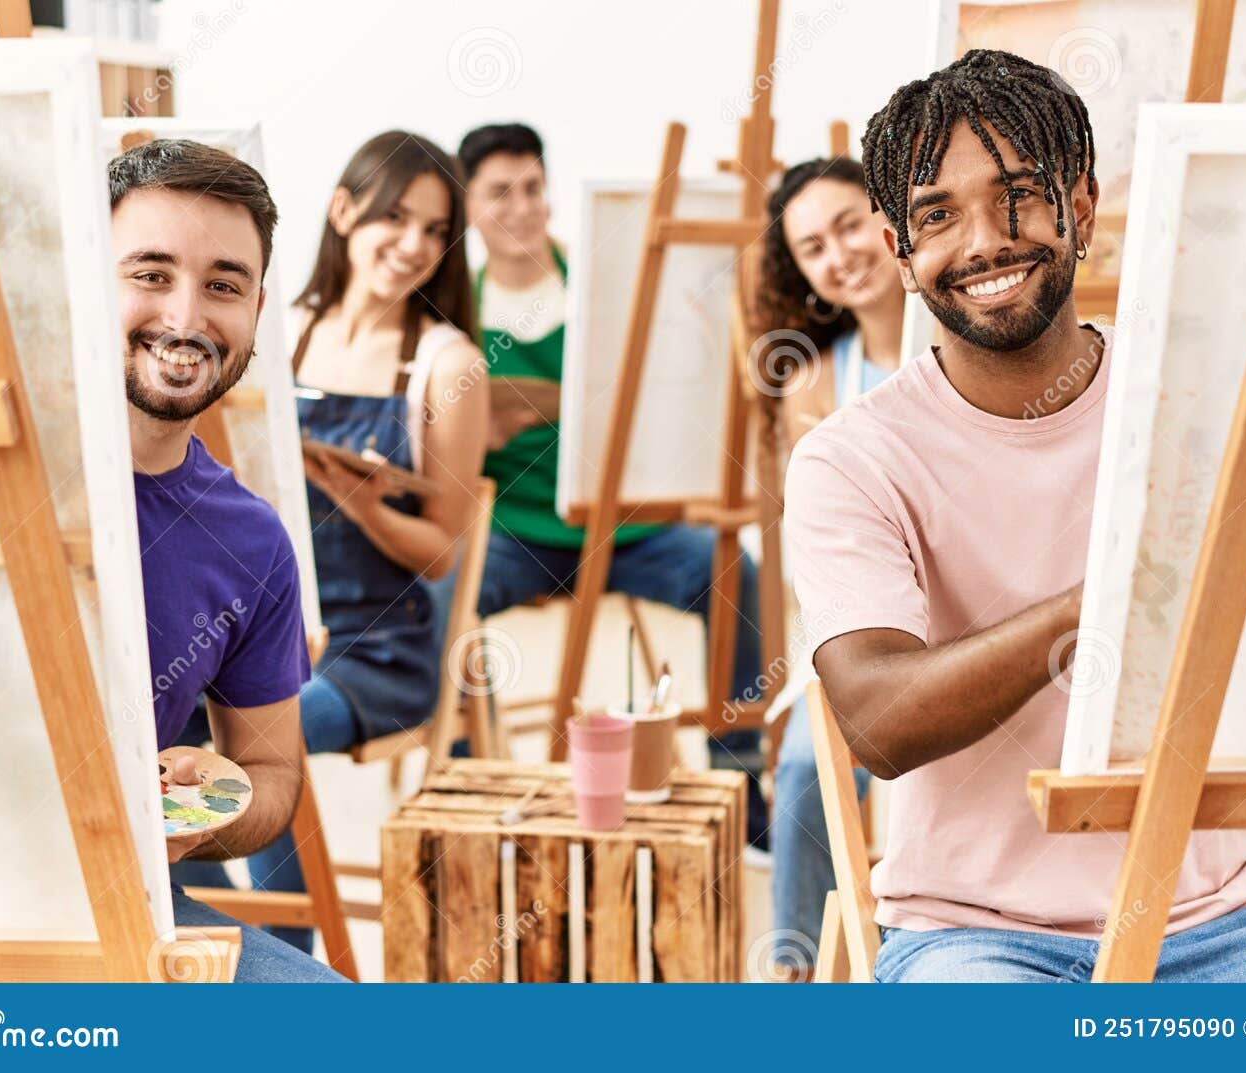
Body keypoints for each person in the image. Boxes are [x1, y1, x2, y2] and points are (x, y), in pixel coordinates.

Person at [784, 51, 1246, 983]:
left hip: (1229, 921)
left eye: (1018, 194)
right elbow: (878, 722)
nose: (983, 242)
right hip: (974, 935)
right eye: (937, 214)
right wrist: (1086, 607)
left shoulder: (1204, 402)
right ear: (900, 251)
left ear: (1082, 209)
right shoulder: (849, 459)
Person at [173, 131, 489, 955]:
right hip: (265, 622)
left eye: (434, 228)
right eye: (396, 217)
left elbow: (443, 549)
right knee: (167, 737)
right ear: (344, 210)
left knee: (253, 744)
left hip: (376, 650)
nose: (414, 244)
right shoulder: (283, 329)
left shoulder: (446, 362)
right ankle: (202, 935)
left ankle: (288, 952)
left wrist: (354, 496)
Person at [453, 122, 766, 842]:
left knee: (734, 572)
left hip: (625, 527)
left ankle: (744, 776)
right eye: (500, 192)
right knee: (448, 602)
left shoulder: (599, 287)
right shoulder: (459, 309)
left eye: (533, 187)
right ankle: (472, 775)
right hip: (517, 535)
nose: (522, 206)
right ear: (470, 206)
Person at [109, 138, 345, 982]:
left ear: (256, 309)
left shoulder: (251, 541)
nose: (184, 317)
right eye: (149, 272)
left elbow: (274, 772)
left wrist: (218, 805)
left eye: (222, 285)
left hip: (121, 904)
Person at [752, 155, 908, 979]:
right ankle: (796, 981)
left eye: (850, 224)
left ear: (891, 217)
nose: (840, 253)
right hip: (867, 631)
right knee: (809, 768)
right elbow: (824, 548)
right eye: (813, 246)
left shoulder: (975, 341)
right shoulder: (812, 384)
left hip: (989, 621)